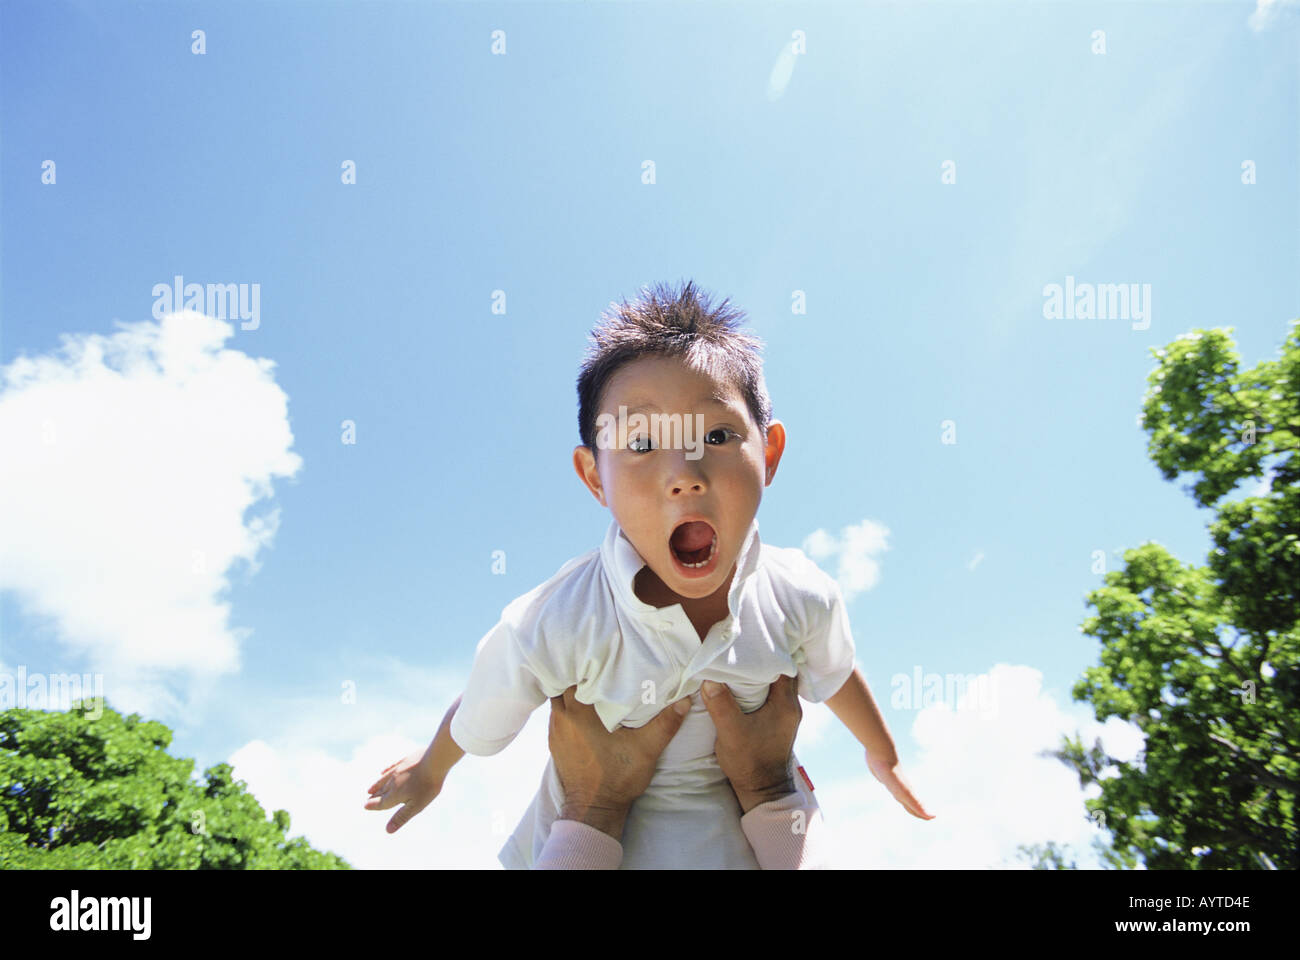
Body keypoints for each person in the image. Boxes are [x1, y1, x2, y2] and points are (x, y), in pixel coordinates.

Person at [366, 280, 933, 869]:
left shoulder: (797, 593)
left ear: (767, 454)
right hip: (595, 844)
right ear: (594, 479)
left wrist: (883, 756)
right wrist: (430, 770)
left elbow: (836, 672)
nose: (684, 473)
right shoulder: (559, 617)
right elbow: (485, 702)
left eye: (716, 435)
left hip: (752, 841)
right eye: (641, 443)